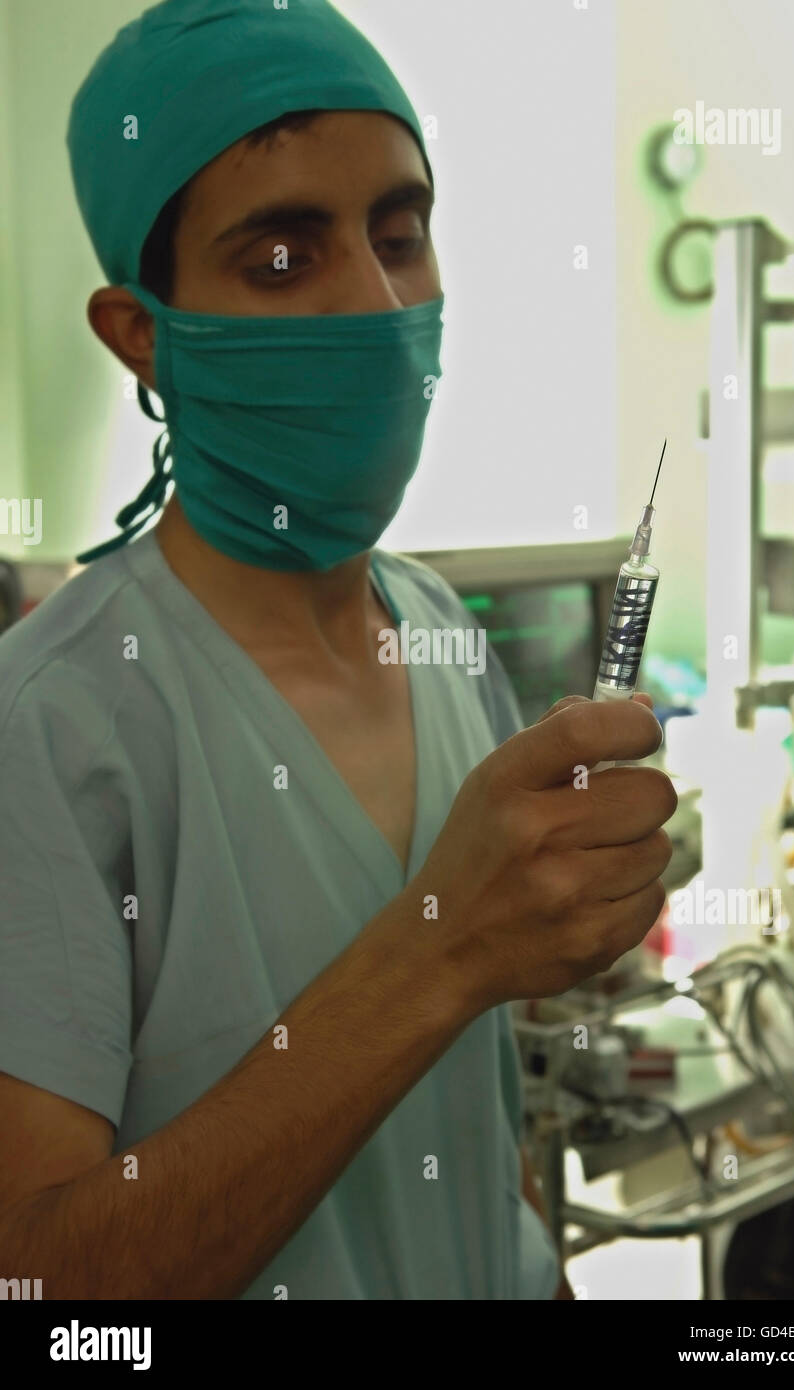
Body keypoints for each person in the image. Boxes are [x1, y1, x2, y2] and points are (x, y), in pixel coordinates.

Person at [0, 0, 676, 1300]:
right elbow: (45, 1295)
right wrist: (444, 944)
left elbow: (482, 1144)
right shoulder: (56, 731)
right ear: (141, 330)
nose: (374, 305)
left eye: (400, 233)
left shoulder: (441, 636)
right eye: (279, 256)